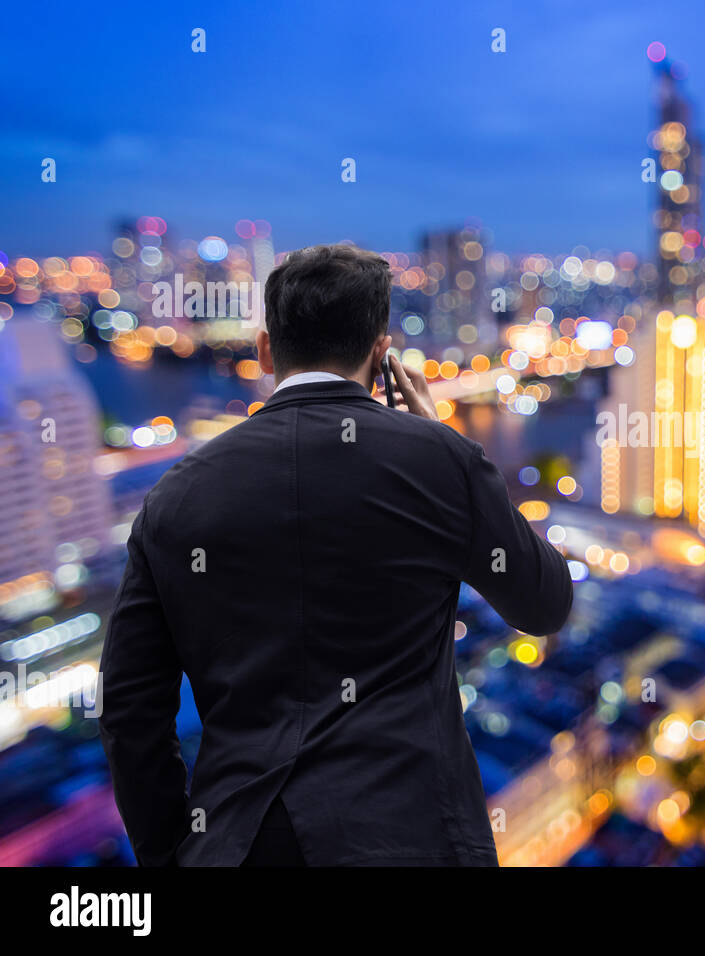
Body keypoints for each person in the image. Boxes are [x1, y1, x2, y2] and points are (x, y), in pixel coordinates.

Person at [98, 243, 573, 866]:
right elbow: (545, 603)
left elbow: (129, 709)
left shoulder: (175, 497)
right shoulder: (437, 462)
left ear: (266, 350)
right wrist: (439, 445)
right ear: (382, 355)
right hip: (416, 841)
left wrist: (176, 855)